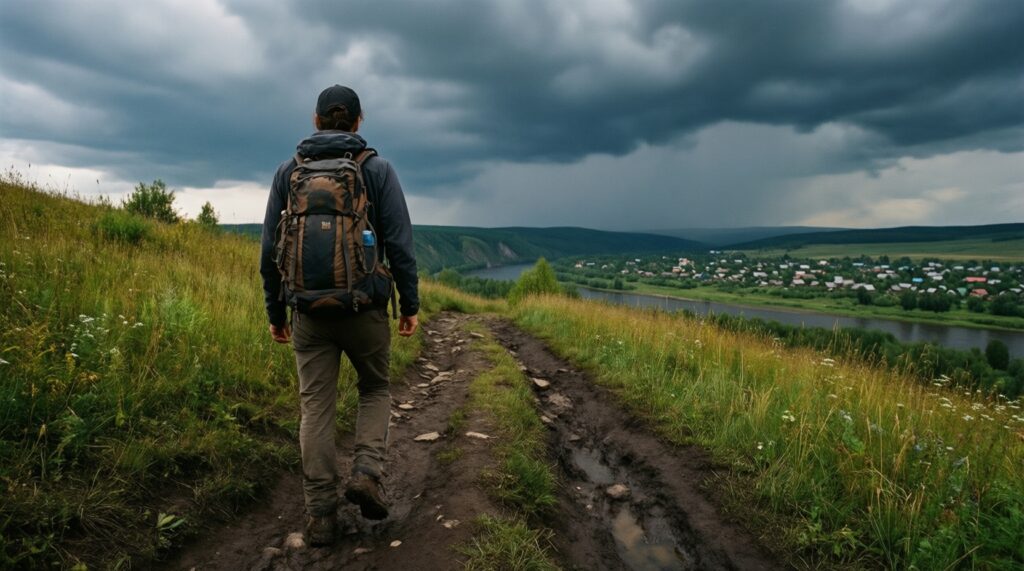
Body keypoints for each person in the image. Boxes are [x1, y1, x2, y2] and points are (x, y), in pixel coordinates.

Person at [259, 84, 419, 546]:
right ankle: (366, 472)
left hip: (307, 313)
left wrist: (276, 312)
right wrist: (409, 305)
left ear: (315, 121)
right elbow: (402, 246)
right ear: (357, 121)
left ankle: (320, 516)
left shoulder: (288, 172)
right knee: (374, 388)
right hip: (365, 308)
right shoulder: (378, 170)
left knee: (315, 407)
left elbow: (270, 251)